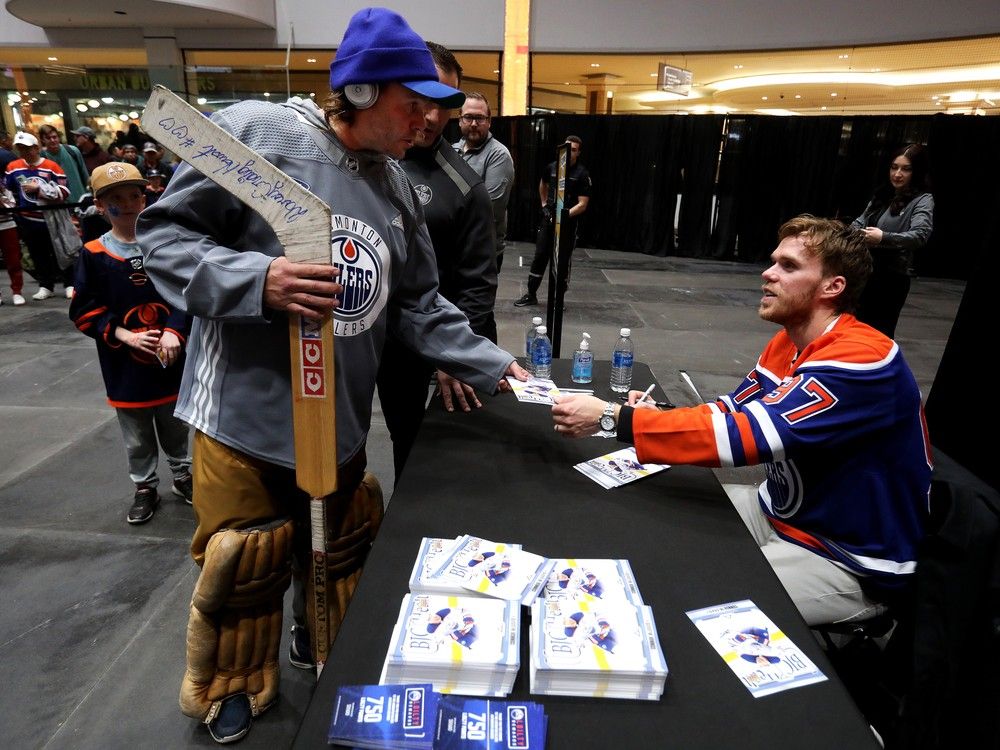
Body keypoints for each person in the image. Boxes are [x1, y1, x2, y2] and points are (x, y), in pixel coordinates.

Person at [135, 7, 528, 744]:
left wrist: (504, 369)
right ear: (366, 89)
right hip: (244, 419)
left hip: (339, 421)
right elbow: (162, 237)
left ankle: (313, 641)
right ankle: (234, 685)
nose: (427, 123)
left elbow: (418, 305)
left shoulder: (397, 188)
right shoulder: (262, 133)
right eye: (415, 105)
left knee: (334, 548)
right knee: (246, 564)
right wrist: (258, 280)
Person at [551, 215, 932, 627]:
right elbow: (733, 411)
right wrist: (658, 417)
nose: (767, 274)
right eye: (773, 262)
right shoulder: (790, 340)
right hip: (778, 511)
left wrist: (615, 417)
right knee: (652, 527)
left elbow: (747, 437)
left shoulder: (863, 358)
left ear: (832, 287)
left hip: (844, 555)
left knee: (694, 603)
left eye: (788, 266)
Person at [377, 41, 499, 480]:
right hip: (377, 343)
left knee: (442, 459)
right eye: (424, 98)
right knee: (397, 444)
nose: (431, 116)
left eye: (444, 104)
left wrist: (453, 356)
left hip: (438, 341)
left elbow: (478, 284)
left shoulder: (465, 187)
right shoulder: (370, 164)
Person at [69, 162, 193, 524]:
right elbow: (84, 308)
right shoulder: (94, 253)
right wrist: (123, 335)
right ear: (100, 204)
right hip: (124, 363)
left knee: (175, 423)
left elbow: (185, 293)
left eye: (134, 195)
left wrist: (174, 330)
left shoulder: (165, 245)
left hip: (170, 357)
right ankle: (145, 485)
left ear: (145, 197)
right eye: (116, 199)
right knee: (137, 432)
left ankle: (182, 475)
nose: (127, 204)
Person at [851, 143, 934, 338]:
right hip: (864, 272)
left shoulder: (923, 199)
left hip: (891, 278)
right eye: (894, 167)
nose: (897, 174)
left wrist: (883, 238)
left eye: (906, 169)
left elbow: (920, 235)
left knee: (878, 332)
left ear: (917, 172)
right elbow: (858, 221)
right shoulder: (883, 194)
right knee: (854, 327)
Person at [514, 135, 591, 307]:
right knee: (540, 256)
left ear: (578, 153)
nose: (569, 152)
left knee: (562, 261)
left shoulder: (582, 174)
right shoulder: (552, 167)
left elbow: (583, 204)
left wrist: (565, 215)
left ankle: (558, 298)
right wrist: (543, 204)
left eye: (573, 150)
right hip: (548, 220)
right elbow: (543, 184)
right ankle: (531, 294)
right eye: (567, 148)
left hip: (568, 224)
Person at [4, 131, 75, 300]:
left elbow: (65, 191)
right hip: (28, 219)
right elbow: (10, 191)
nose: (25, 152)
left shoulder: (51, 166)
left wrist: (40, 190)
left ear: (36, 148)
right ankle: (45, 285)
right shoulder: (13, 167)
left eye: (27, 148)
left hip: (52, 218)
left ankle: (70, 283)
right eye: (20, 148)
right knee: (38, 253)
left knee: (61, 250)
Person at [454, 92, 515, 272]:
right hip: (454, 250)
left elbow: (488, 208)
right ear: (459, 120)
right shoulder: (453, 150)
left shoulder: (498, 155)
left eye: (479, 118)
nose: (474, 124)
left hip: (481, 253)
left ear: (489, 121)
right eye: (469, 117)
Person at [38, 124, 89, 202]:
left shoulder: (72, 151)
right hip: (60, 204)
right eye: (48, 138)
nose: (52, 140)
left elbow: (85, 175)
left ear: (58, 137)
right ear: (42, 140)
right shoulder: (42, 157)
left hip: (81, 200)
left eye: (54, 137)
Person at [0, 180, 24, 305]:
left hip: (7, 225)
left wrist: (3, 204)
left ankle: (17, 291)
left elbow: (12, 206)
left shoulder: (5, 187)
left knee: (13, 260)